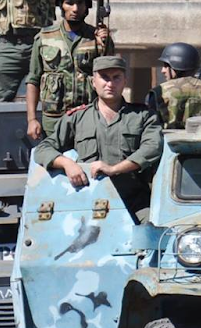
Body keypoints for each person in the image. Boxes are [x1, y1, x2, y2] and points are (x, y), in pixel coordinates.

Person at [34, 57, 162, 214]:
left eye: (116, 78)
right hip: (88, 202)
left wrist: (114, 169)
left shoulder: (143, 116)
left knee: (152, 230)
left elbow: (152, 148)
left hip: (134, 202)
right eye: (104, 78)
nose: (110, 84)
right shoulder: (77, 118)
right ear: (93, 82)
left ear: (124, 81)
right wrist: (67, 164)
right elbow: (43, 149)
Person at [25, 0, 111, 141]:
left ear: (87, 7)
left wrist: (106, 45)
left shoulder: (97, 38)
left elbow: (110, 77)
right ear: (61, 6)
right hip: (53, 120)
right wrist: (31, 119)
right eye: (69, 3)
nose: (75, 8)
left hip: (89, 117)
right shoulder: (44, 38)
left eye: (80, 3)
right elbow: (33, 80)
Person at [146, 42, 201, 129]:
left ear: (177, 65)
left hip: (169, 141)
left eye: (166, 66)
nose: (163, 70)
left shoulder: (158, 92)